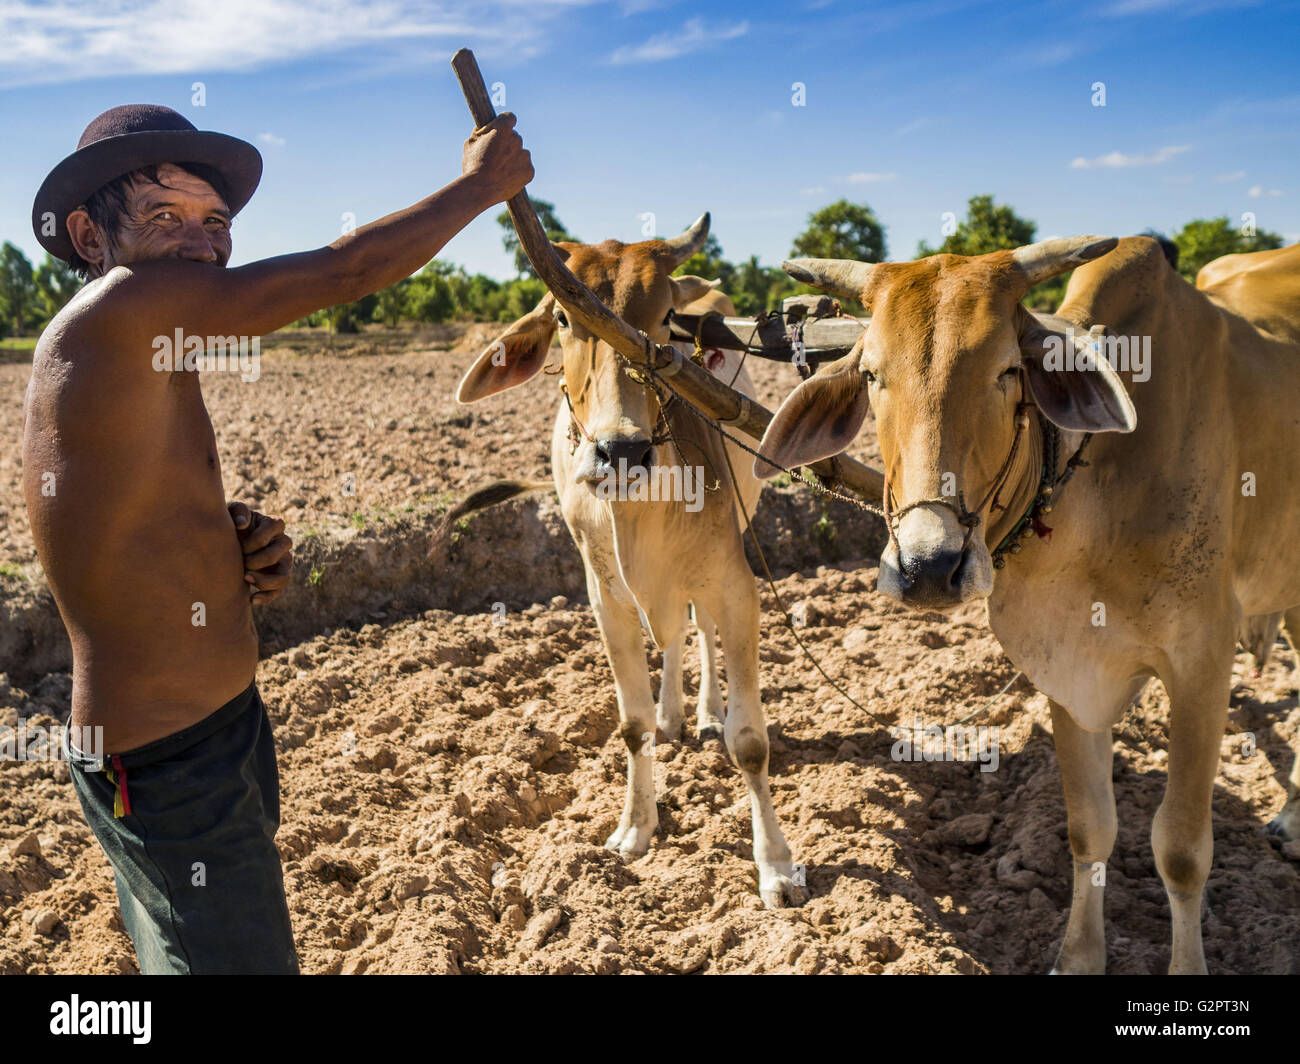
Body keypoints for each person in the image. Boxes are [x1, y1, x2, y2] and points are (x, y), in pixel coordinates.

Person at [23, 102, 533, 973]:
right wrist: (481, 187)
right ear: (89, 234)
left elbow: (125, 527)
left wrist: (229, 549)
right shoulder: (124, 310)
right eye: (163, 216)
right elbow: (350, 271)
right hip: (168, 766)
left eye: (214, 222)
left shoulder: (154, 349)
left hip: (214, 733)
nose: (200, 242)